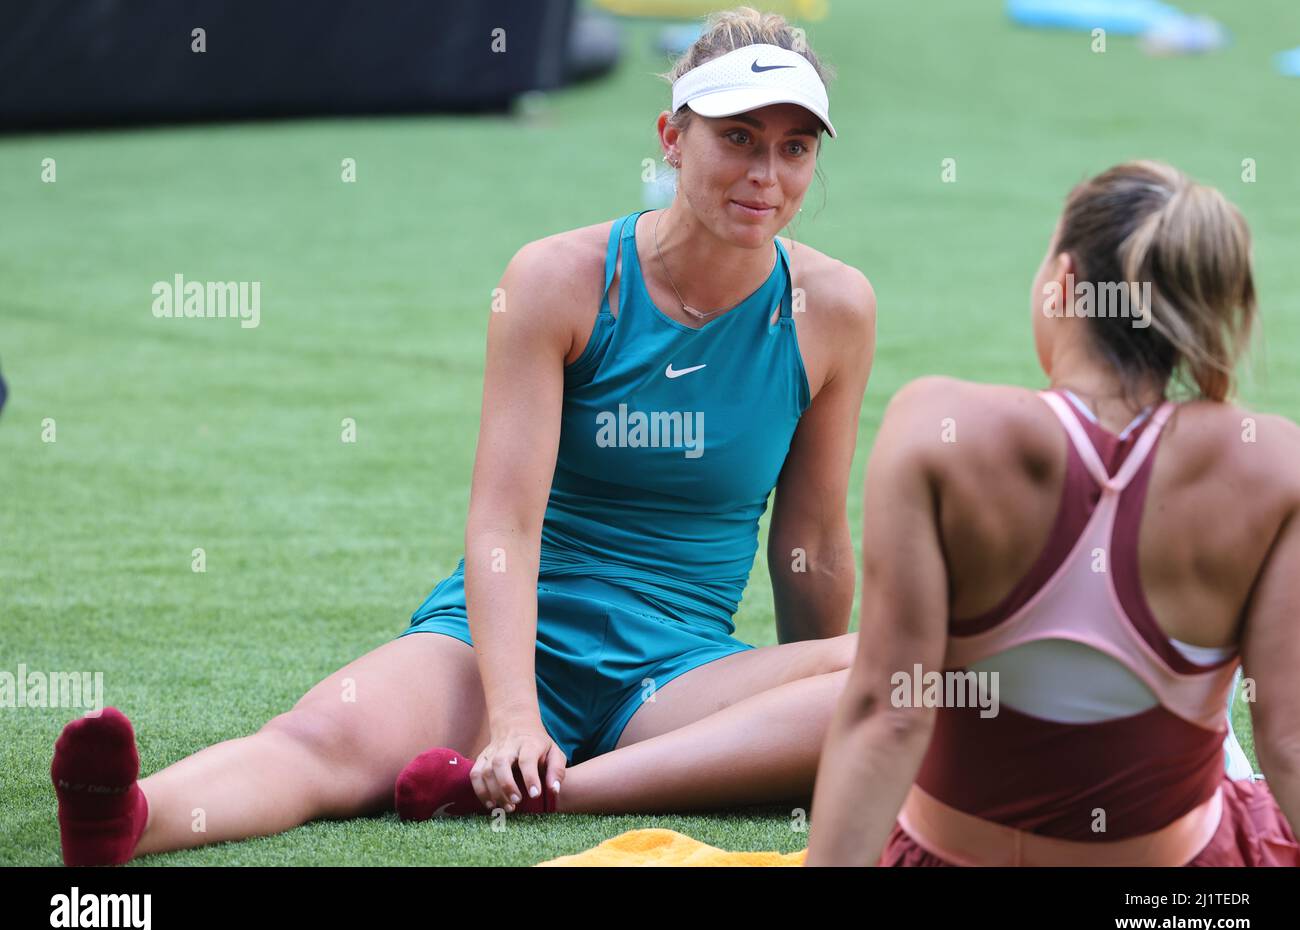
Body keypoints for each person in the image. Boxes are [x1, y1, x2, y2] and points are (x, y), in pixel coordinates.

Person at [50, 7, 876, 865]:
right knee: (319, 739)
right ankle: (131, 817)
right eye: (738, 138)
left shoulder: (835, 308)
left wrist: (808, 708)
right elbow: (503, 525)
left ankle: (561, 790)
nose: (766, 174)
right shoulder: (559, 278)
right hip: (507, 635)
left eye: (794, 147)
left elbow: (812, 538)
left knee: (890, 673)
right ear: (671, 137)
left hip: (679, 671)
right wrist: (513, 711)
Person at [805, 160, 1300, 866]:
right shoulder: (1273, 463)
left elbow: (887, 715)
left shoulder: (938, 428)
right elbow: (1286, 740)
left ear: (1064, 282)